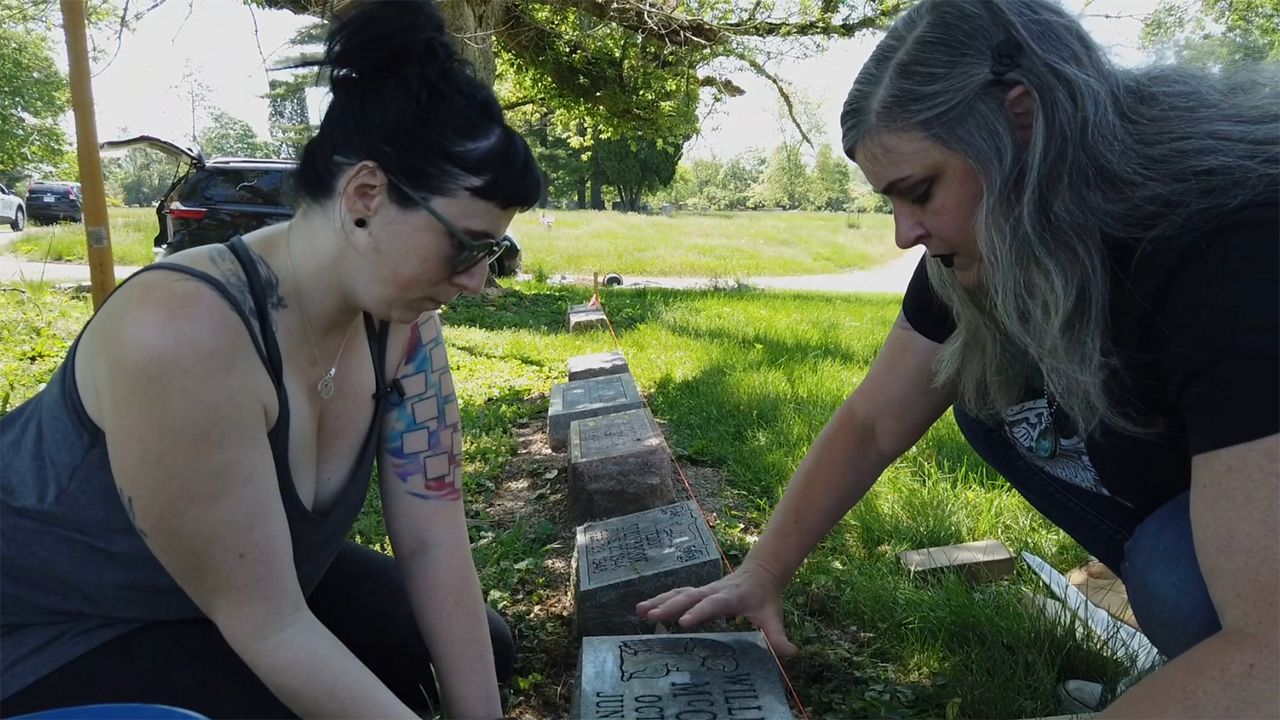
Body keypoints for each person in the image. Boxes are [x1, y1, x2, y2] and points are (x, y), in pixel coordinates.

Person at [638, 0, 1278, 715]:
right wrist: (760, 570)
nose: (904, 234)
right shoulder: (996, 236)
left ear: (1022, 120)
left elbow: (1270, 651)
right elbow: (876, 420)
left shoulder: (1229, 251)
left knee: (1174, 573)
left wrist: (1238, 662)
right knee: (983, 382)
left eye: (919, 191)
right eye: (890, 201)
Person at [0, 2, 542, 718]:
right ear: (366, 197)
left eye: (495, 255)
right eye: (467, 247)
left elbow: (435, 541)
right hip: (56, 626)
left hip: (244, 592)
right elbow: (268, 624)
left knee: (476, 653)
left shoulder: (405, 327)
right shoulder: (182, 332)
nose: (477, 281)